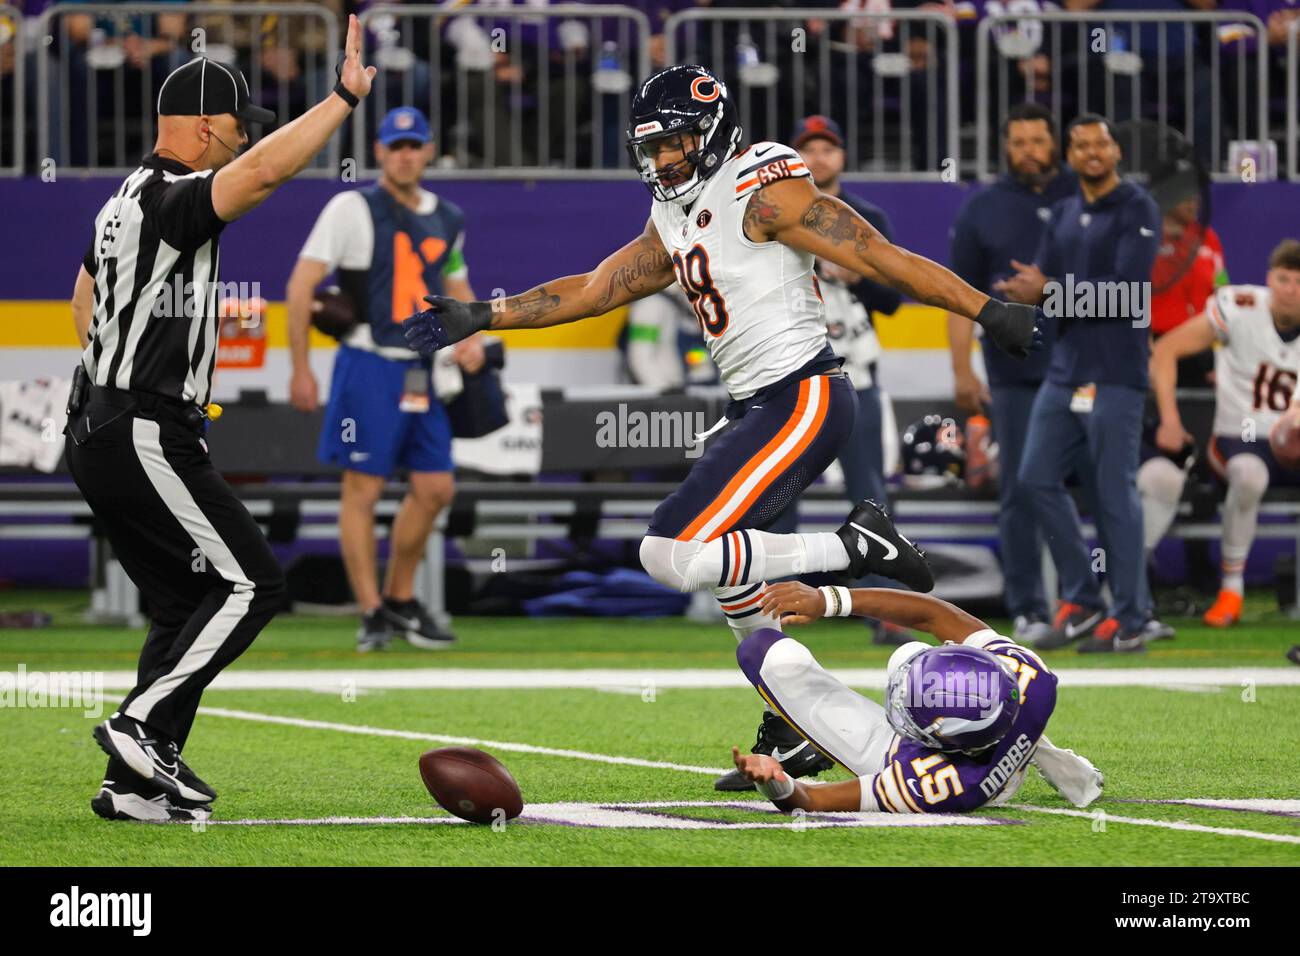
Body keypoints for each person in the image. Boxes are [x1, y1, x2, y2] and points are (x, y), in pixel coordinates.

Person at [402, 64, 1042, 788]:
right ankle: (794, 723)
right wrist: (484, 314)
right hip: (759, 406)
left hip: (804, 396)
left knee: (666, 555)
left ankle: (853, 545)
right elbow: (594, 287)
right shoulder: (672, 214)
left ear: (712, 131)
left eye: (675, 142)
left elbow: (879, 257)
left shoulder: (763, 189)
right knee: (736, 581)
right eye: (652, 146)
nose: (663, 159)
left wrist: (986, 310)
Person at [67, 17, 377, 823]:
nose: (243, 149)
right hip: (141, 428)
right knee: (254, 582)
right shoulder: (172, 199)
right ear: (206, 128)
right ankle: (142, 728)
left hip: (103, 426)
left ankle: (132, 788)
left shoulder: (120, 201)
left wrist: (116, 373)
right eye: (237, 133)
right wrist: (343, 98)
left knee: (183, 601)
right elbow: (267, 174)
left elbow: (83, 299)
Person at [286, 106, 483, 652]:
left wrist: (473, 340)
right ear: (379, 151)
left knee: (435, 486)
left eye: (413, 145)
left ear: (426, 151)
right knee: (362, 489)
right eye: (395, 146)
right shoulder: (351, 206)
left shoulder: (448, 216)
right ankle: (371, 609)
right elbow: (302, 285)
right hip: (369, 361)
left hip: (422, 367)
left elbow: (459, 288)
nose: (404, 154)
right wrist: (300, 366)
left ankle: (399, 600)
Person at [728, 578, 1103, 814]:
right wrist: (831, 600)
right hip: (998, 737)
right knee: (907, 655)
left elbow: (812, 800)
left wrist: (774, 782)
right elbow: (932, 616)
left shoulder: (938, 781)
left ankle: (792, 748)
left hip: (918, 761)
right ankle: (1033, 748)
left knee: (768, 655)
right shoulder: (1030, 681)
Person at [998, 114, 1161, 654]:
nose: (1092, 152)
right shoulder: (1065, 212)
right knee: (1035, 477)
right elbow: (1046, 286)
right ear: (1069, 155)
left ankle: (1132, 616)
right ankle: (1083, 600)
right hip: (1064, 371)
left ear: (1115, 151)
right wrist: (1022, 294)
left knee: (1114, 492)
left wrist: (1046, 292)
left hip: (1115, 373)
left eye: (1101, 143)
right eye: (1082, 145)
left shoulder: (1137, 208)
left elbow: (1129, 296)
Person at [763, 114, 909, 656]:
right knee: (780, 491)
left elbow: (895, 298)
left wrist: (856, 273)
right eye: (810, 148)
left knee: (868, 492)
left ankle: (884, 607)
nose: (820, 158)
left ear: (841, 157)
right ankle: (771, 605)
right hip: (792, 372)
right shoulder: (771, 212)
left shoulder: (864, 218)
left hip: (854, 368)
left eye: (829, 148)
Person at [946, 103, 1076, 646]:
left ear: (1054, 144)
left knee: (1111, 491)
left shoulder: (1086, 201)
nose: (1029, 150)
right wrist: (961, 370)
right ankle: (1029, 609)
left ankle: (1098, 603)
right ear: (1006, 147)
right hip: (1016, 372)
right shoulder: (983, 209)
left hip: (1091, 369)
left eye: (1037, 140)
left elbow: (1127, 292)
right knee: (1021, 491)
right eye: (1018, 141)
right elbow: (955, 297)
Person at [1140, 239, 1300, 627]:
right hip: (1241, 437)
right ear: (1269, 280)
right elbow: (1165, 350)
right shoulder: (1241, 307)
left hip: (1294, 438)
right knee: (1249, 475)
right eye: (1284, 279)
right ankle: (1232, 588)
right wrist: (1170, 419)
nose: (1291, 289)